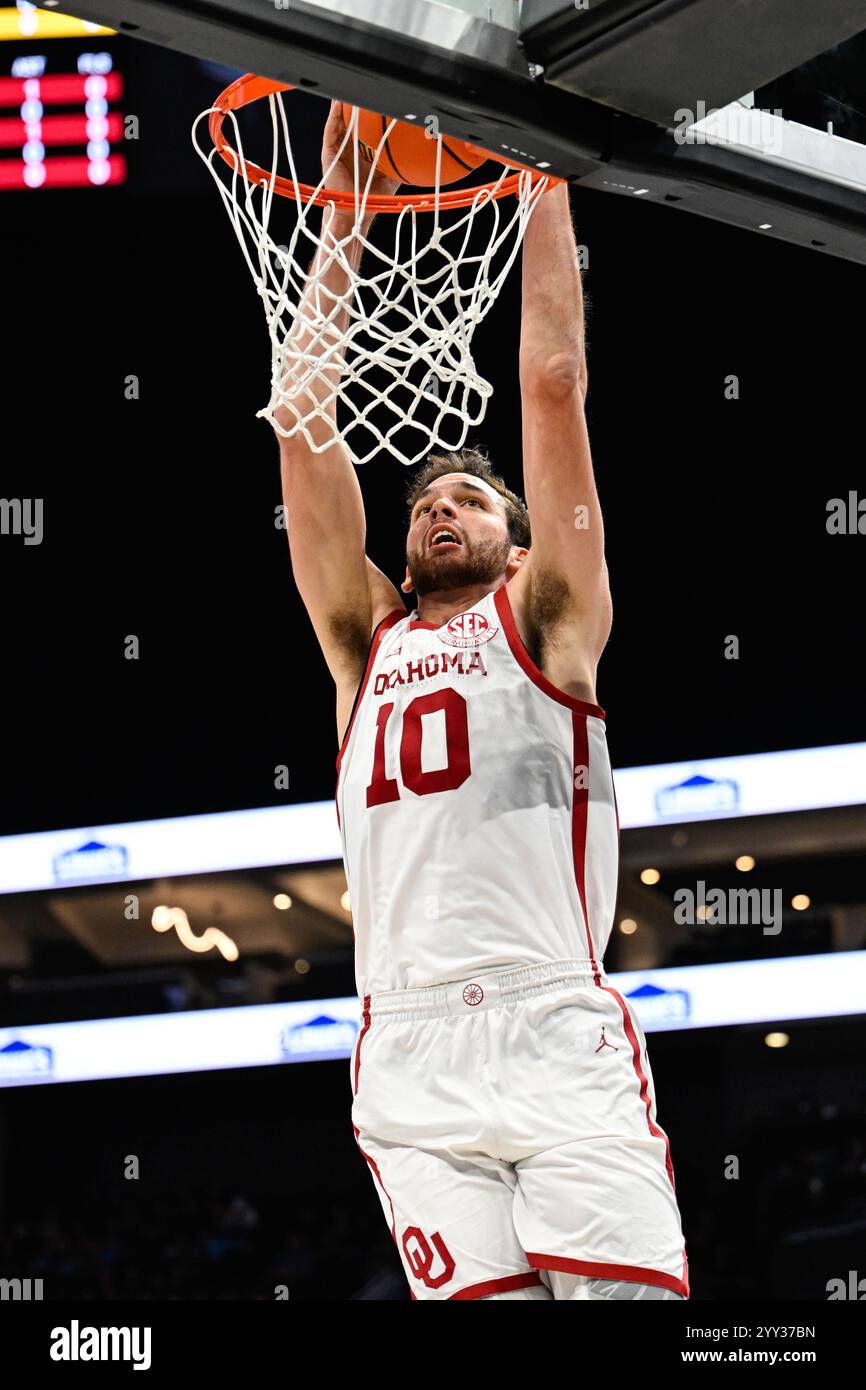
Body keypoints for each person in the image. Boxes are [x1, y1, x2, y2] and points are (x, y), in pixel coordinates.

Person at [276, 102, 688, 1301]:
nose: (438, 509)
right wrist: (343, 209)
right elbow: (304, 432)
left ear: (516, 546)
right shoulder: (363, 642)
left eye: (468, 497)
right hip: (403, 1047)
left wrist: (540, 179)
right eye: (421, 505)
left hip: (551, 1026)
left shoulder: (550, 622)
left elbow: (553, 383)